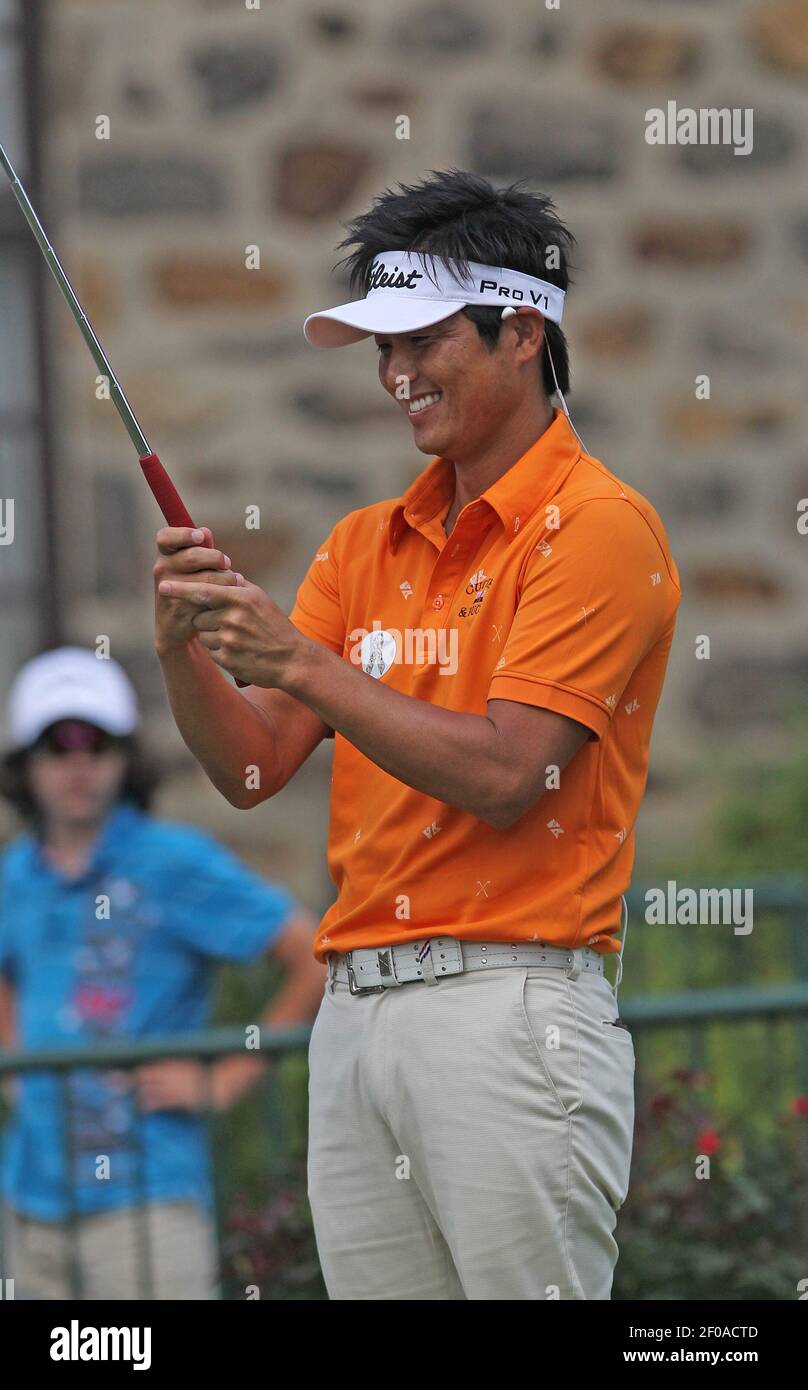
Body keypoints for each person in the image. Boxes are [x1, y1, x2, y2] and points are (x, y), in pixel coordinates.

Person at [151, 169, 681, 1300]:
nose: (394, 376)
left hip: (511, 1011)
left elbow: (504, 774)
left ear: (522, 332)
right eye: (378, 350)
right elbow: (253, 767)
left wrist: (297, 659)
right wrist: (182, 649)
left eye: (420, 341)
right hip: (356, 1020)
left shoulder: (598, 527)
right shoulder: (360, 542)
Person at [0, 646, 324, 1300]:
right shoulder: (15, 874)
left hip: (149, 1196)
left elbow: (313, 956)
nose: (77, 763)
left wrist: (224, 1080)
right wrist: (17, 1066)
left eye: (96, 742)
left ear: (126, 756)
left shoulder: (173, 862)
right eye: (54, 745)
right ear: (24, 763)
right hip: (29, 1199)